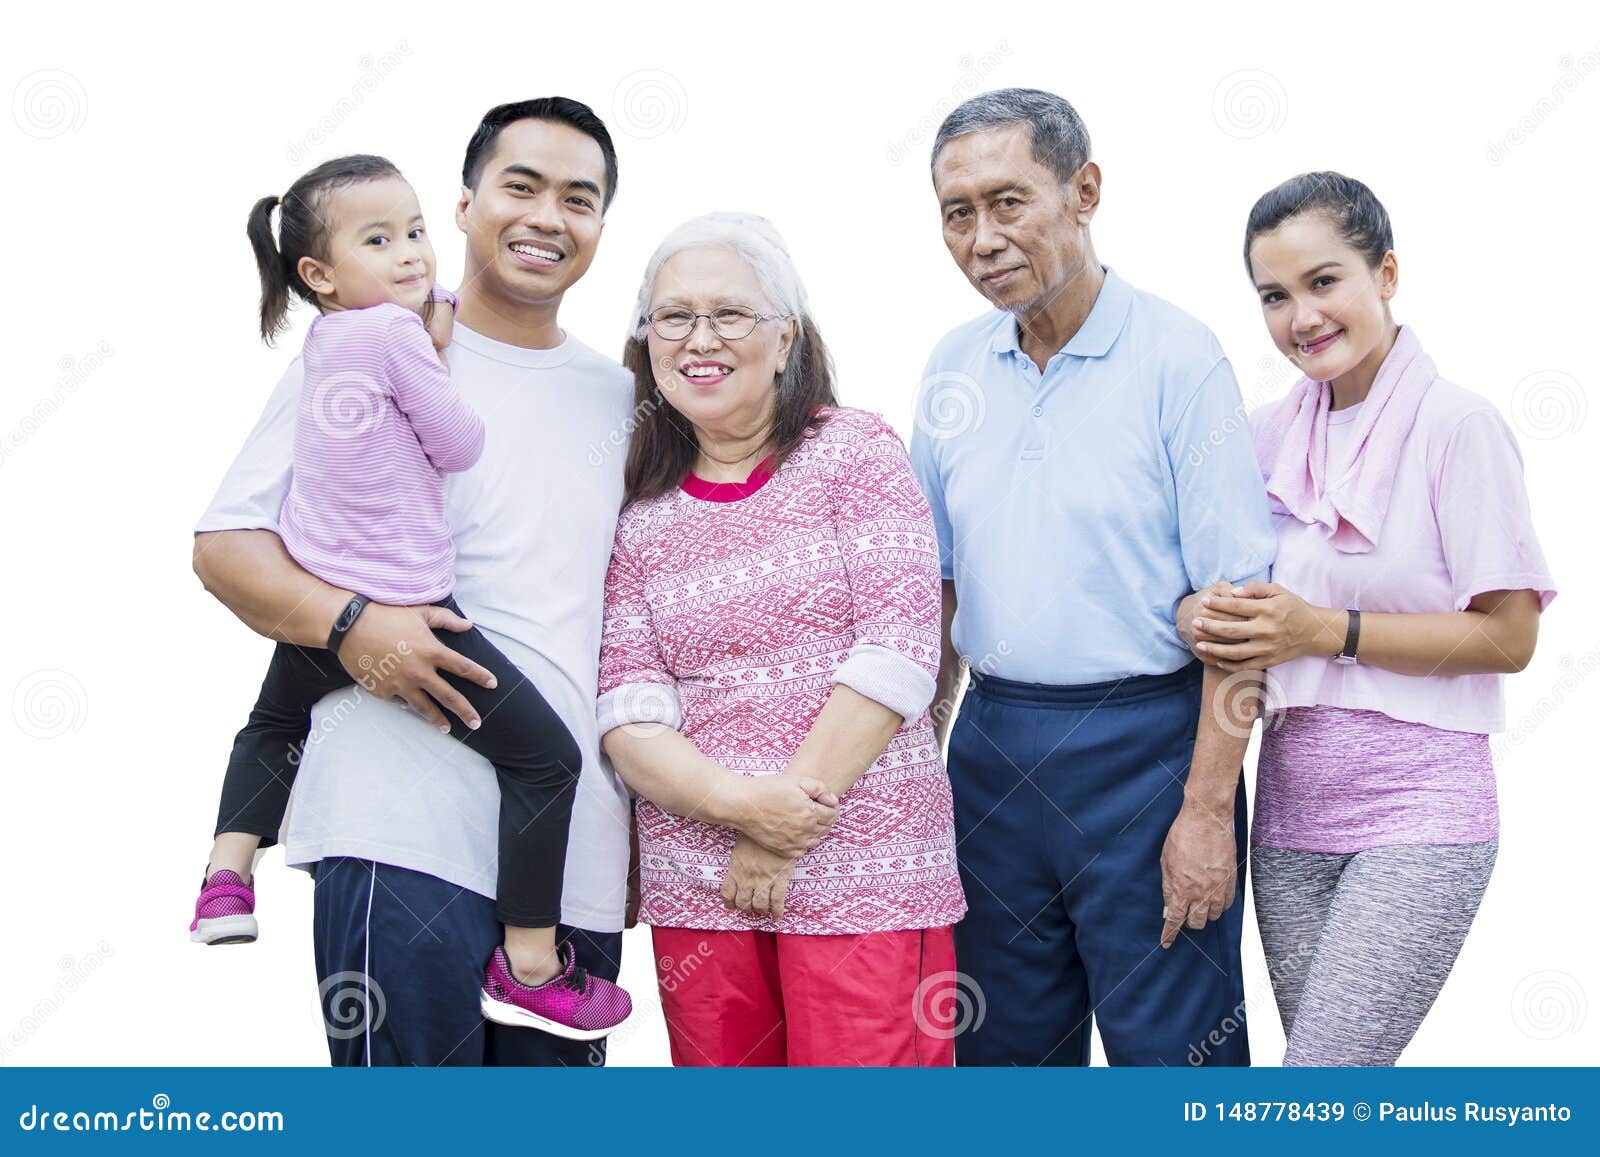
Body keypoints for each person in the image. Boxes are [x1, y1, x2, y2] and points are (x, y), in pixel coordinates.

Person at [193, 98, 636, 1066]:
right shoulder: (362, 346)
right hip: (400, 831)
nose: (546, 216)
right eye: (520, 186)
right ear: (467, 204)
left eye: (579, 198)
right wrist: (352, 626)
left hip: (566, 862)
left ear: (603, 225)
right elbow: (226, 544)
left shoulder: (627, 396)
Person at [911, 88, 1276, 1066]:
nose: (981, 238)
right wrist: (918, 770)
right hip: (989, 754)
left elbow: (1245, 615)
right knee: (1002, 1058)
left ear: (1084, 191)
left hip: (1149, 756)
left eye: (1007, 202)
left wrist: (1205, 810)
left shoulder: (1178, 358)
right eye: (956, 212)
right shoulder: (950, 367)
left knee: (1175, 1062)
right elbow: (933, 589)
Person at [1183, 172, 1555, 1066]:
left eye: (1324, 281)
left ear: (1385, 273)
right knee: (1345, 1102)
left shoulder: (1457, 426)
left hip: (1421, 807)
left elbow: (1511, 637)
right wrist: (1195, 608)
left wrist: (1328, 629)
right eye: (1274, 295)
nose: (1300, 316)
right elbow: (1224, 592)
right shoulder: (1265, 434)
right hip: (1289, 812)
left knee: (1319, 1087)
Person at [597, 212, 966, 1067]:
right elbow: (628, 709)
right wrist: (739, 809)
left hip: (864, 875)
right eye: (673, 316)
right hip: (700, 887)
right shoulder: (640, 512)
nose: (700, 338)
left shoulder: (856, 452)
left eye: (729, 313)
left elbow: (899, 650)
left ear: (785, 337)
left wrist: (776, 827)